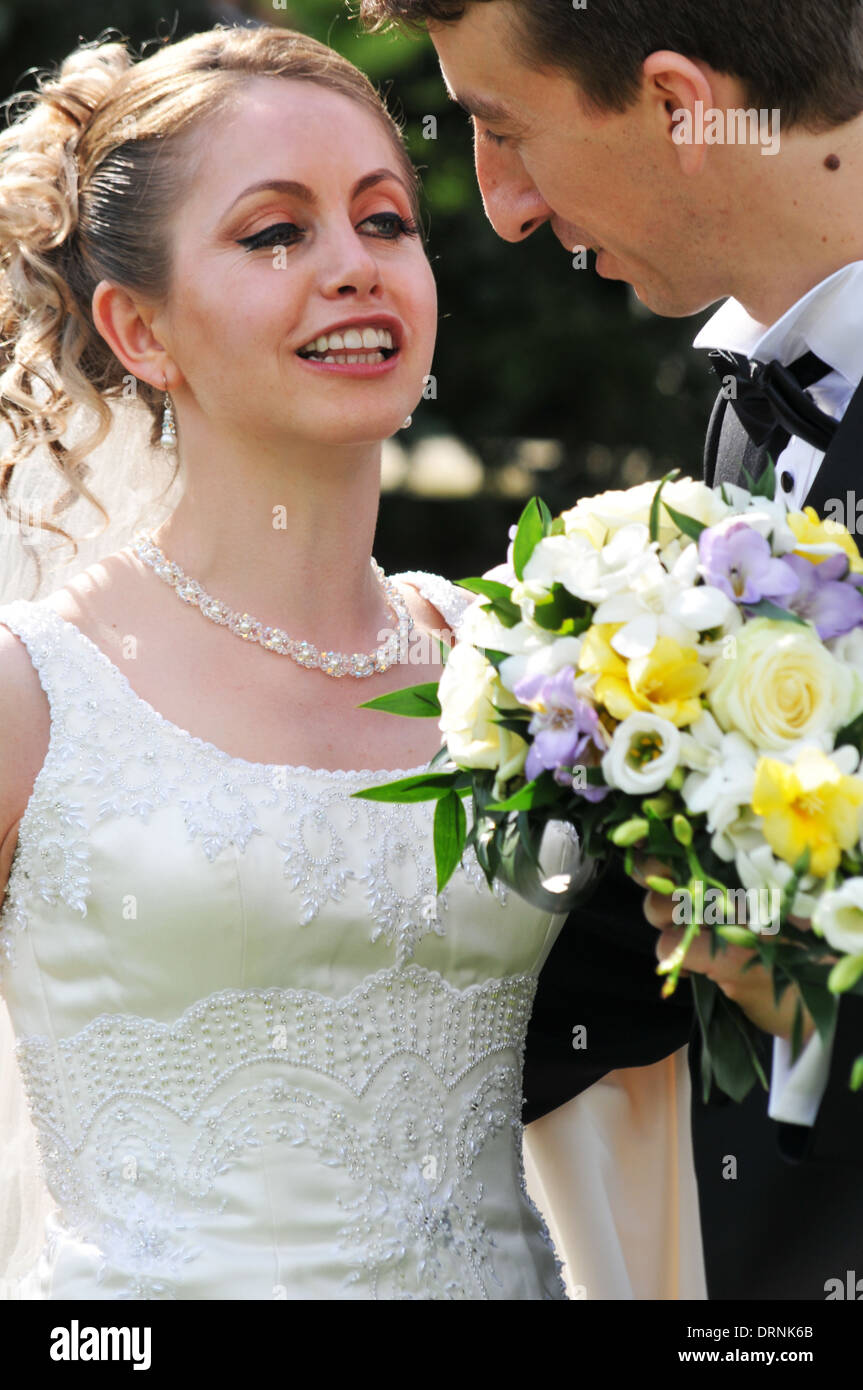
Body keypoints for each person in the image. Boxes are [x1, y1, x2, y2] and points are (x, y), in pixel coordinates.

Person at [0, 20, 617, 1300]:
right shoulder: (33, 695)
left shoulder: (517, 666)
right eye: (275, 233)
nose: (351, 267)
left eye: (384, 220)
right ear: (139, 330)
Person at [360, 0, 863, 1298]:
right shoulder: (755, 411)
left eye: (499, 129)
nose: (504, 208)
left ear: (682, 105)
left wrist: (798, 984)